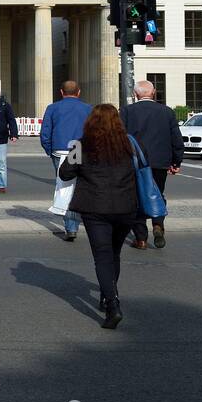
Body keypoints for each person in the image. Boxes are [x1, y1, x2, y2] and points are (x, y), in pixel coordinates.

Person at [58, 105, 141, 329]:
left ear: (91, 122)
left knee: (102, 256)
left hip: (95, 207)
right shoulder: (128, 144)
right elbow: (140, 168)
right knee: (115, 253)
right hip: (126, 207)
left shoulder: (81, 144)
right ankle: (107, 295)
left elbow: (65, 174)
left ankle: (112, 304)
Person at [120, 79, 184, 250]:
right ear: (153, 93)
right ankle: (158, 224)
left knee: (136, 197)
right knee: (157, 193)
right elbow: (176, 139)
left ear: (135, 94)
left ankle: (140, 238)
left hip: (135, 162)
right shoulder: (166, 112)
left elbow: (121, 137)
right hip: (160, 162)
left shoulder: (127, 111)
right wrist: (176, 161)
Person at [40, 80, 93, 240]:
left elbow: (45, 132)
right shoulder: (88, 108)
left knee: (64, 186)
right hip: (80, 149)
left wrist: (49, 149)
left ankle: (70, 226)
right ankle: (75, 222)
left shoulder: (52, 108)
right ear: (79, 92)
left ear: (61, 92)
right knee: (78, 188)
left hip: (60, 149)